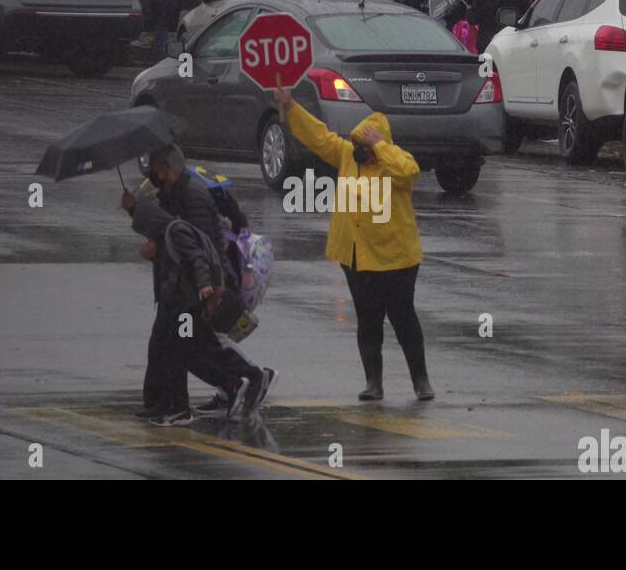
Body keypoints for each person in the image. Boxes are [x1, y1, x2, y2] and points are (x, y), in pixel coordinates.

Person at [273, 87, 435, 402]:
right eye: (357, 143)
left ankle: (421, 381)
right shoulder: (347, 155)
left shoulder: (394, 162)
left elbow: (409, 171)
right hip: (356, 257)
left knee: (403, 319)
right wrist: (290, 105)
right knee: (368, 319)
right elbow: (319, 137)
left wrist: (381, 147)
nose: (358, 149)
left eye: (365, 144)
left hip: (396, 259)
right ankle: (373, 383)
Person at [123, 145, 272, 425]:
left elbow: (198, 246)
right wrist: (136, 212)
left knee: (186, 345)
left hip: (192, 291)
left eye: (155, 167)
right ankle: (171, 401)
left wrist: (205, 285)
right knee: (176, 345)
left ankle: (239, 381)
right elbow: (166, 229)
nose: (151, 174)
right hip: (178, 288)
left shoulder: (191, 196)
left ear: (167, 167)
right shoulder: (172, 193)